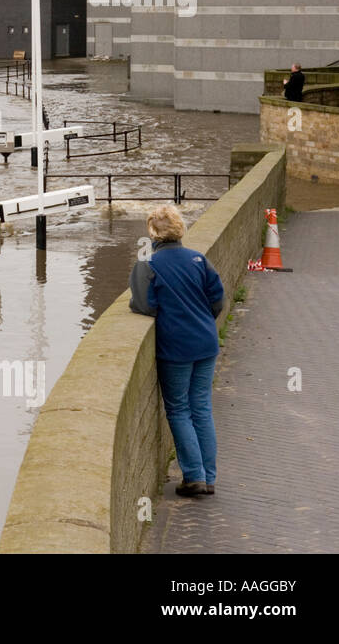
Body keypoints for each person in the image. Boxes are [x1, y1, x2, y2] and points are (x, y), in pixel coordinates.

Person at [129, 205, 225, 498]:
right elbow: (217, 300)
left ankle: (194, 476)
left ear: (152, 232)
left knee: (180, 409)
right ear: (179, 229)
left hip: (176, 348)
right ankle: (208, 477)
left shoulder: (148, 264)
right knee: (201, 407)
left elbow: (144, 305)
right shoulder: (199, 259)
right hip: (206, 343)